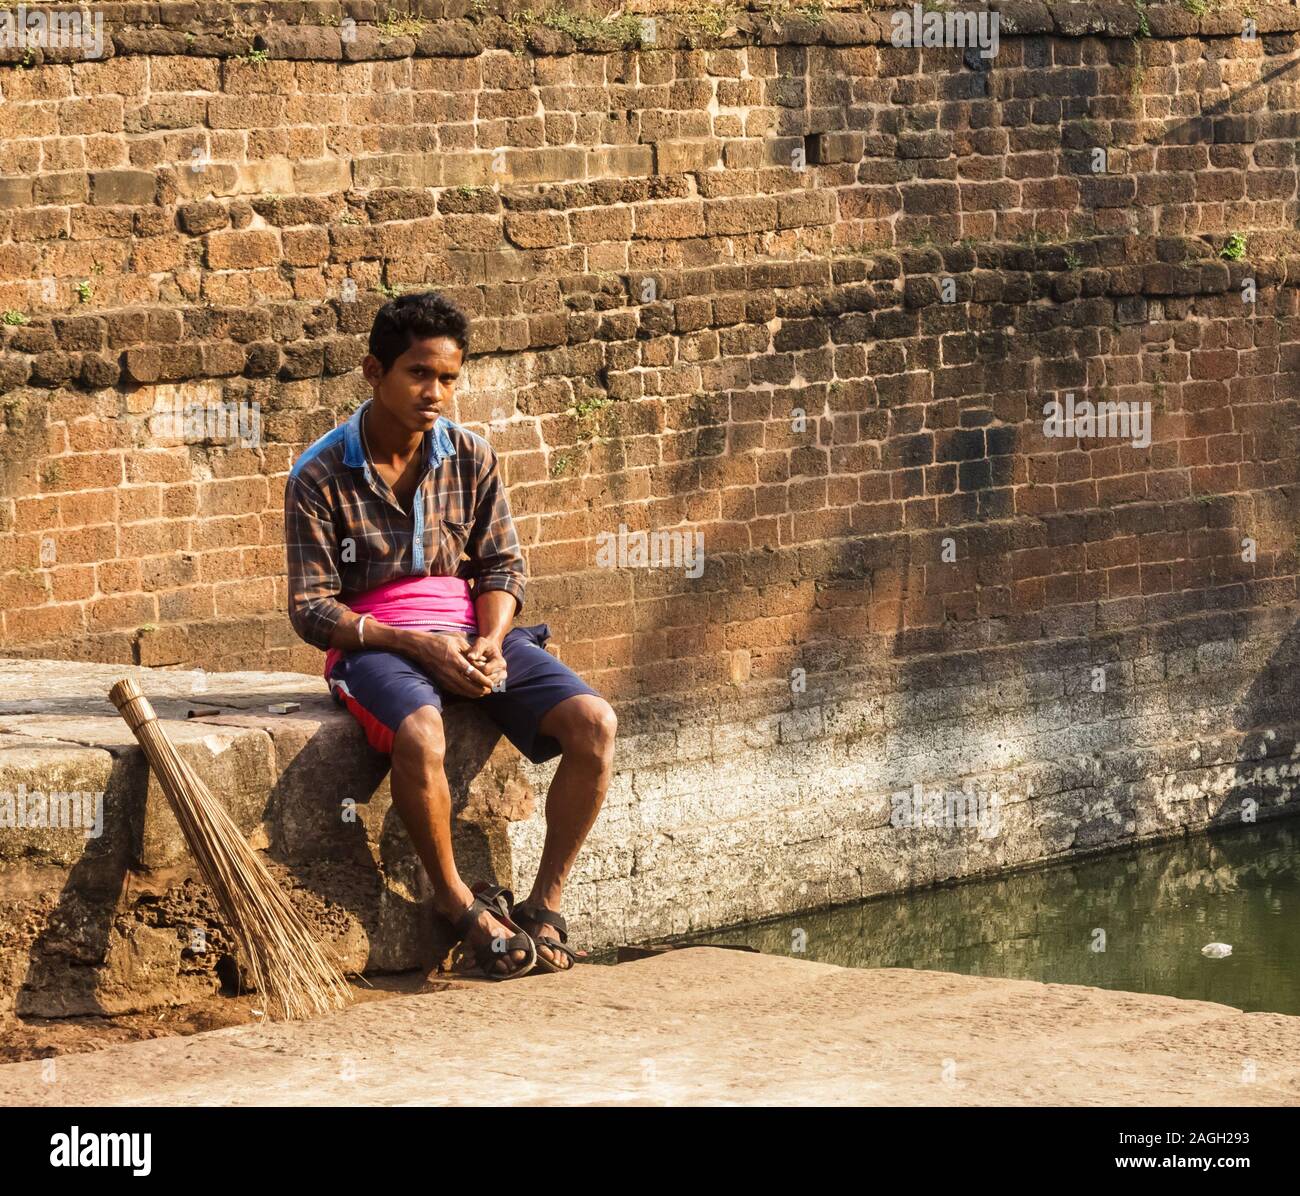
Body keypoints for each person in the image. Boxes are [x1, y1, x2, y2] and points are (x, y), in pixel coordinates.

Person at [283, 290, 617, 978]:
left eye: (448, 378)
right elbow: (312, 608)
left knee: (595, 722)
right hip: (375, 643)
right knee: (421, 734)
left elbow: (501, 566)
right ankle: (455, 901)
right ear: (374, 371)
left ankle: (543, 905)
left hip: (471, 630)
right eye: (418, 374)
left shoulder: (471, 456)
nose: (434, 392)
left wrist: (491, 641)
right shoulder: (319, 473)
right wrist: (413, 644)